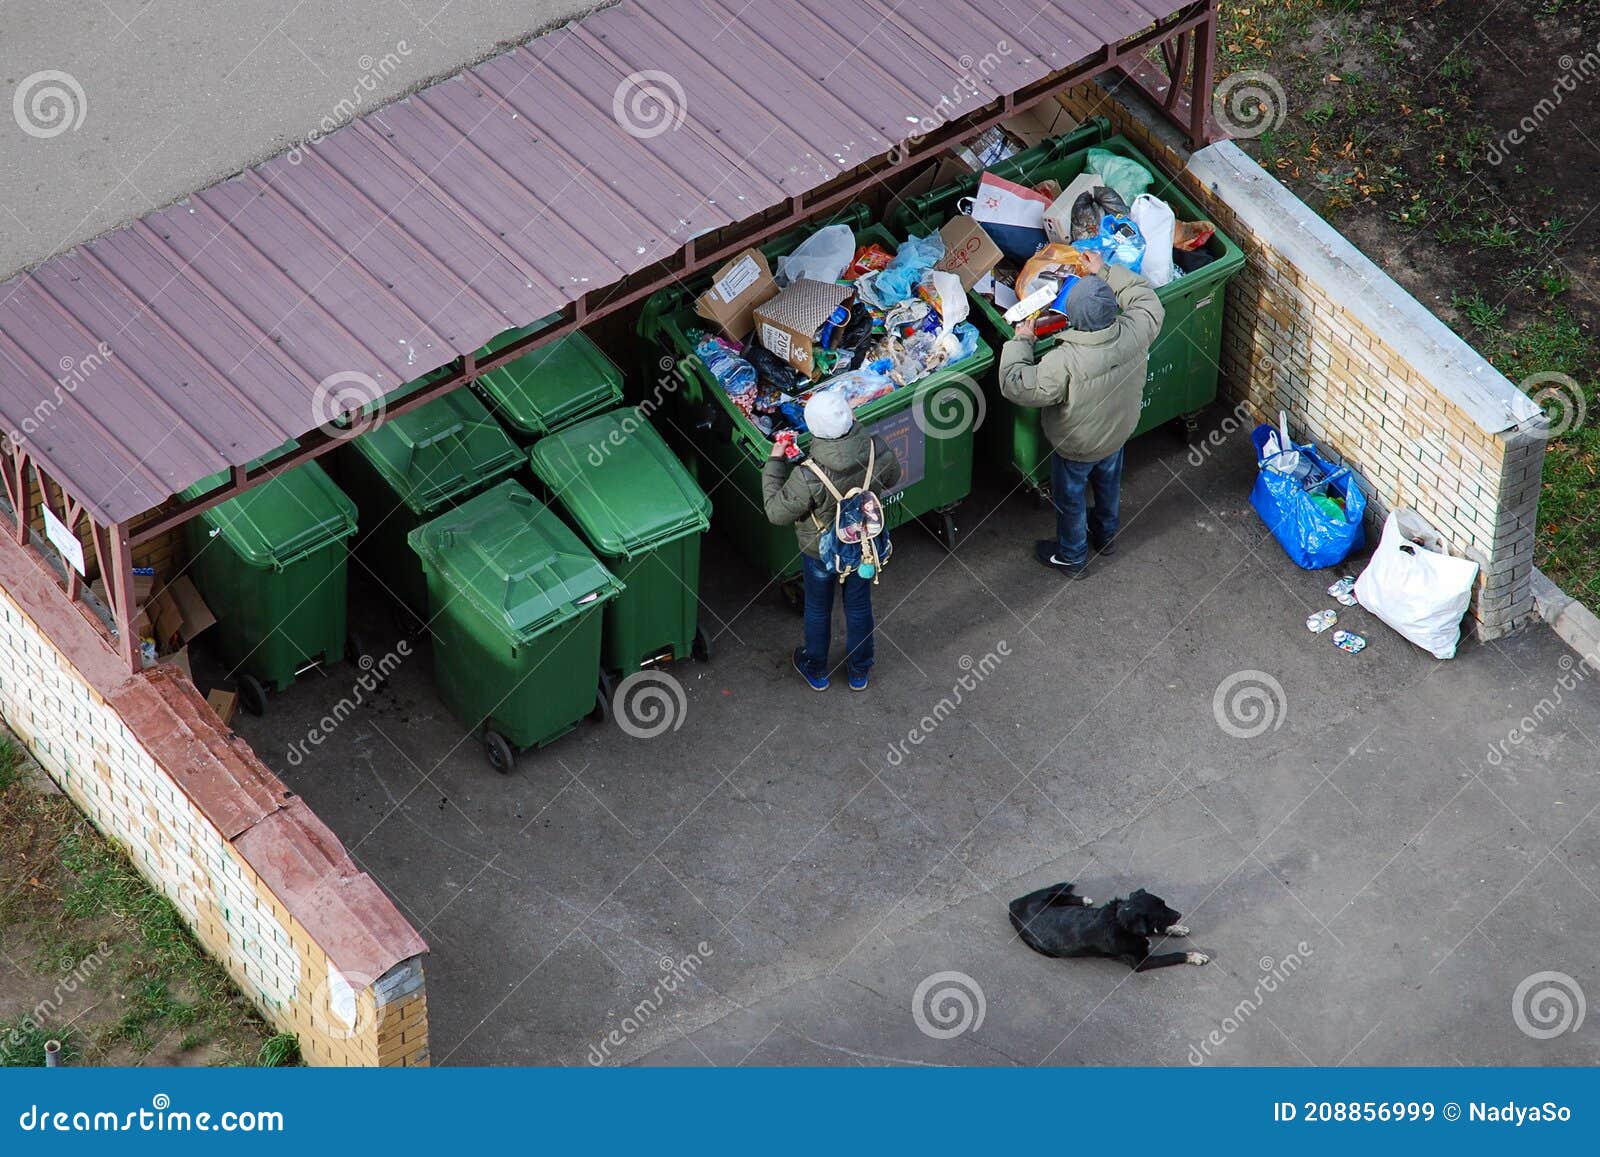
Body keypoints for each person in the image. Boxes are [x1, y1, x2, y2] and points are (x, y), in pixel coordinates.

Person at [999, 251, 1164, 577]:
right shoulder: (1136, 328)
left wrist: (1022, 340)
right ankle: (1105, 536)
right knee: (1108, 484)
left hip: (1076, 446)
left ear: (1071, 316)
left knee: (1071, 500)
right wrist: (1104, 271)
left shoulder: (1065, 362)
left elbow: (1015, 385)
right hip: (1118, 433)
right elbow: (1147, 300)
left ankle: (1072, 556)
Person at [763, 390, 901, 692]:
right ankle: (859, 670)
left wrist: (774, 462)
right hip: (863, 547)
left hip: (820, 551)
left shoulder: (807, 475)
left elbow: (776, 512)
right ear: (850, 418)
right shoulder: (876, 448)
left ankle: (815, 667)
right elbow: (893, 478)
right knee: (859, 606)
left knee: (817, 607)